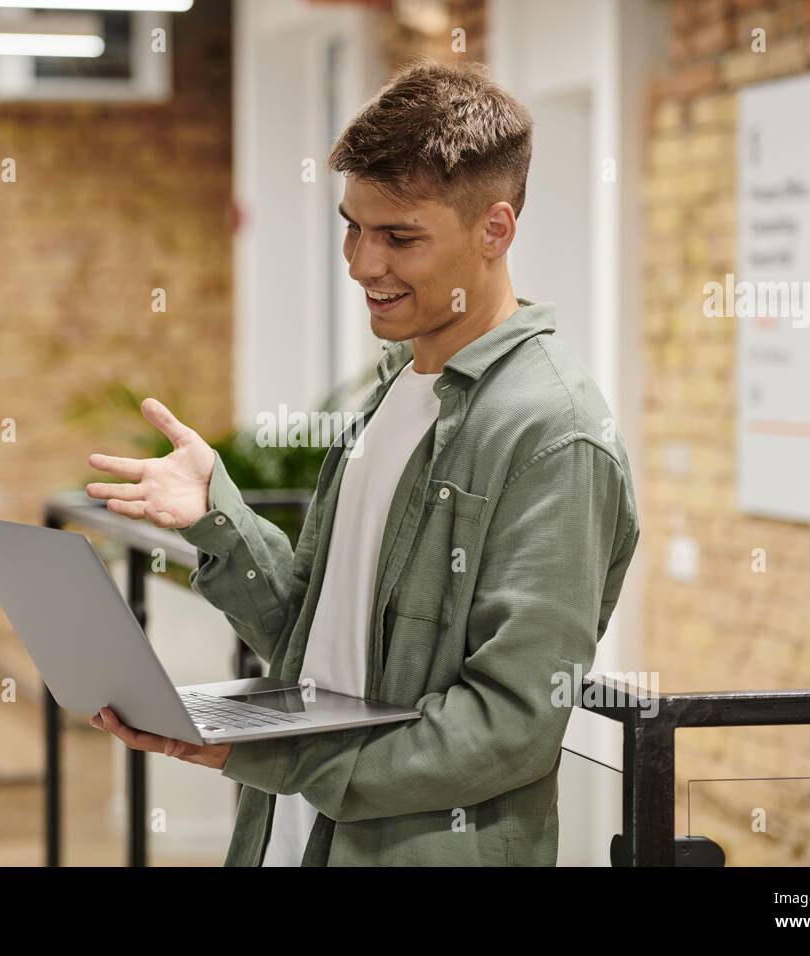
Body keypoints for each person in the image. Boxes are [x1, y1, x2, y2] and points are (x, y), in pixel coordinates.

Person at [84, 57, 640, 866]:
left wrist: (274, 757)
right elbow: (312, 639)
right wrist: (219, 516)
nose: (362, 264)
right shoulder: (396, 392)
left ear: (496, 229)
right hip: (295, 837)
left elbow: (509, 729)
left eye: (399, 237)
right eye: (352, 226)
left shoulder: (553, 433)